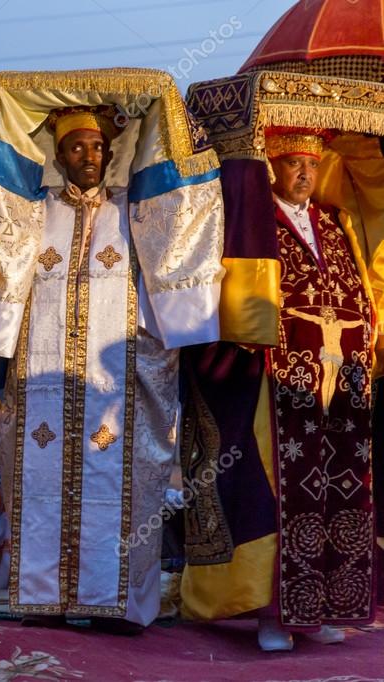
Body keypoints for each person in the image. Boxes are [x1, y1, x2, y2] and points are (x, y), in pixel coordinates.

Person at [0, 71, 226, 633]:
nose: (88, 156)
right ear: (58, 155)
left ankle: (116, 604)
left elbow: (171, 274)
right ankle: (45, 597)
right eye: (75, 147)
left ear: (111, 152)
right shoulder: (35, 215)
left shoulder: (135, 214)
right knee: (39, 485)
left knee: (124, 491)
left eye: (97, 146)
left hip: (118, 385)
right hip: (43, 383)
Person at [180, 127, 377, 651]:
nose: (305, 174)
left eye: (312, 165)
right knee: (279, 492)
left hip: (340, 382)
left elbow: (357, 295)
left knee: (341, 487)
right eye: (293, 164)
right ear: (273, 167)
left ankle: (324, 605)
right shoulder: (254, 224)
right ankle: (273, 614)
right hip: (276, 382)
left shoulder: (334, 224)